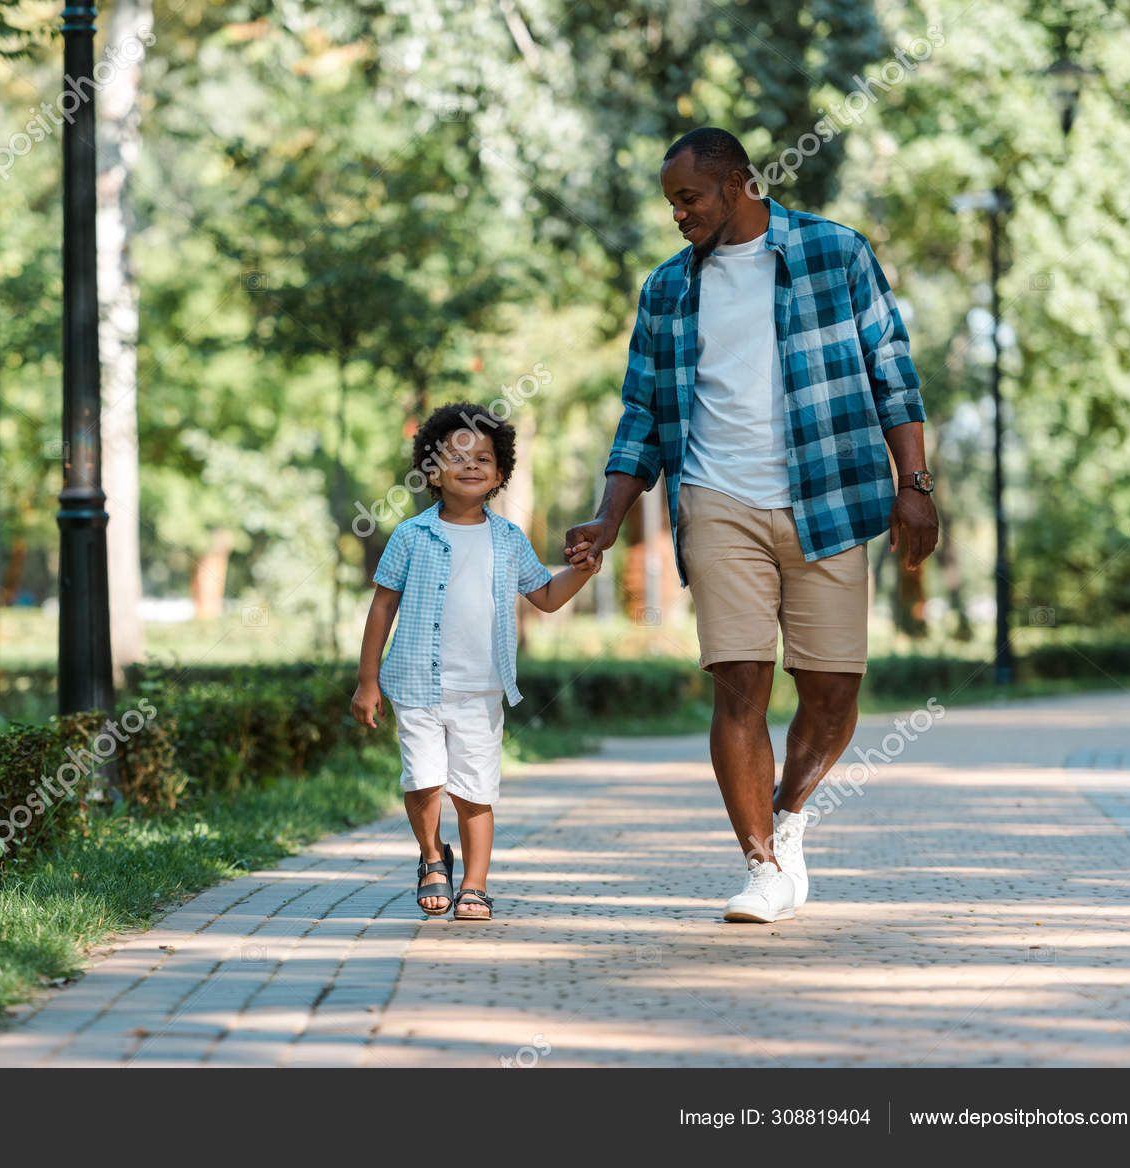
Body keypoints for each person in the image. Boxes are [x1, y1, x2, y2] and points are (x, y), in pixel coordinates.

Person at [566, 127, 939, 923]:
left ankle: (789, 813)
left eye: (689, 198)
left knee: (833, 692)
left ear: (738, 182)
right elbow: (642, 416)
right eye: (671, 203)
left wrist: (914, 484)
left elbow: (892, 368)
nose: (678, 215)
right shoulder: (667, 289)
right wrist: (606, 519)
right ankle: (761, 865)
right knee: (740, 683)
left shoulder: (834, 254)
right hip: (715, 497)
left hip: (830, 495)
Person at [351, 403, 599, 921]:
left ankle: (475, 885)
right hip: (415, 681)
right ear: (431, 471)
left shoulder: (509, 539)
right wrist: (367, 681)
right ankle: (432, 857)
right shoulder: (411, 536)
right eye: (456, 456)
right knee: (422, 779)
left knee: (474, 790)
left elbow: (548, 597)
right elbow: (383, 607)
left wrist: (584, 570)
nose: (470, 465)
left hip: (482, 688)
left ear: (500, 473)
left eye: (483, 458)